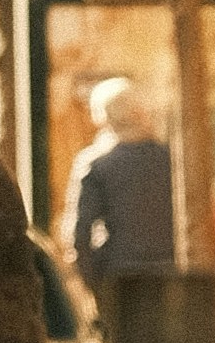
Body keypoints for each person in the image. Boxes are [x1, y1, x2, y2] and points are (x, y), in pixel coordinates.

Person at [67, 80, 179, 297]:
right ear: (139, 111)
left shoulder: (95, 164)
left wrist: (93, 284)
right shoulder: (171, 160)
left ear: (102, 117)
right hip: (171, 276)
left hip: (118, 277)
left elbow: (80, 234)